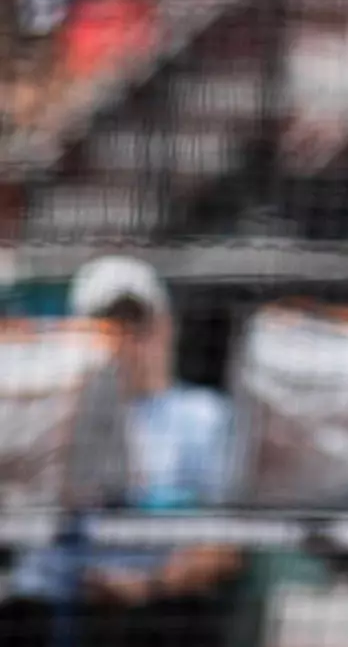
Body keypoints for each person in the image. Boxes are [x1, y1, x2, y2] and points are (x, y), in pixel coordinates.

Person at [0, 257, 240, 647]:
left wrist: (148, 585)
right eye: (109, 326)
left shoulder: (205, 417)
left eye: (138, 323)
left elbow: (226, 547)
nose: (127, 340)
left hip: (159, 613)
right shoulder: (47, 409)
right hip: (50, 605)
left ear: (166, 327)